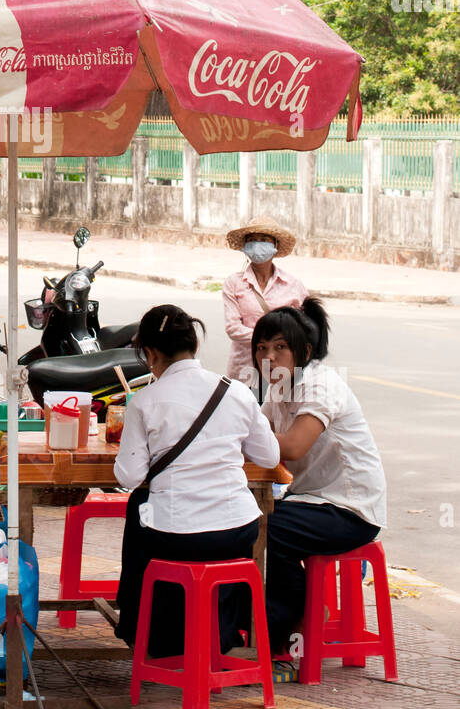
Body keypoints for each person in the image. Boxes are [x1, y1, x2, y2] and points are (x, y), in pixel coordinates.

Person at [114, 304, 280, 657]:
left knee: (137, 509)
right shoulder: (236, 392)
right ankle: (219, 636)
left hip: (178, 535)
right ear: (194, 346)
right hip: (238, 530)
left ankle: (143, 631)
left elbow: (129, 476)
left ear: (151, 354)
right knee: (147, 514)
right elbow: (269, 457)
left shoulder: (145, 401)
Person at [253, 298, 386, 658]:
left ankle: (292, 623)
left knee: (266, 530)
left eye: (280, 347)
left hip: (349, 510)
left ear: (304, 350)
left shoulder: (320, 384)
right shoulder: (279, 389)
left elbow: (292, 446)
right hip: (310, 501)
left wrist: (241, 438)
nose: (270, 358)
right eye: (262, 349)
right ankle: (264, 625)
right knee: (243, 521)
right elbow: (258, 435)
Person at [222, 218, 307, 388]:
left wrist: (274, 344)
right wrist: (272, 341)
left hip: (281, 372)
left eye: (264, 240)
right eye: (252, 240)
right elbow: (233, 328)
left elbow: (305, 327)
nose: (257, 244)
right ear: (245, 247)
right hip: (244, 371)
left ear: (274, 246)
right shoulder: (234, 283)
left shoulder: (293, 285)